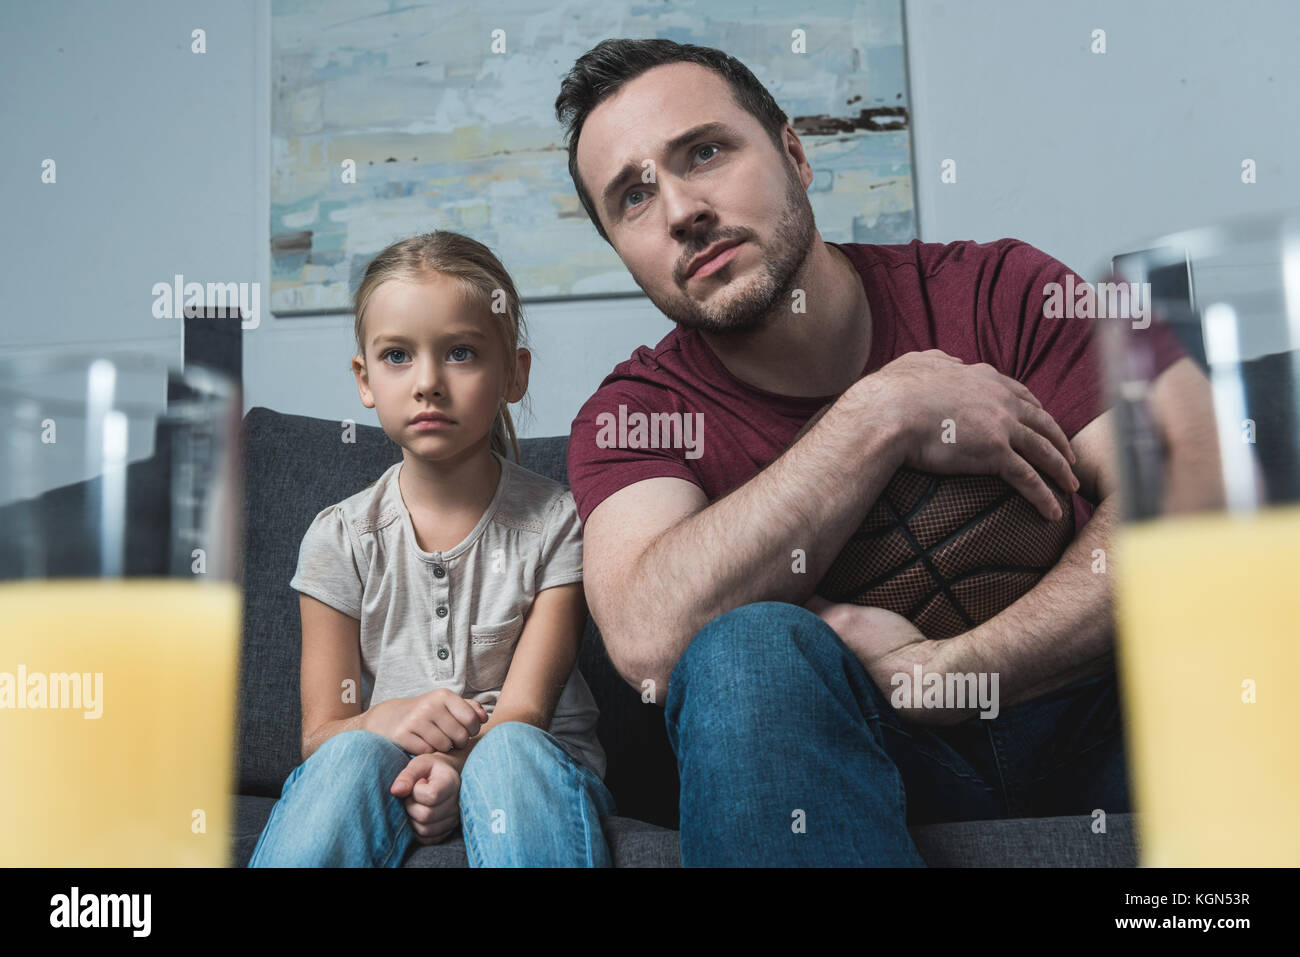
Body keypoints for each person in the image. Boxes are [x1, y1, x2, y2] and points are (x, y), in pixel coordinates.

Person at [554, 38, 1212, 865]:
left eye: (706, 152)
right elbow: (650, 638)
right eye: (634, 197)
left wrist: (949, 674)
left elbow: (1194, 490)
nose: (682, 208)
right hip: (866, 759)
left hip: (1103, 724)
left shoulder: (998, 288)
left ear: (794, 154)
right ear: (622, 248)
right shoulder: (635, 413)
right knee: (744, 651)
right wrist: (880, 410)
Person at [249, 231, 614, 867]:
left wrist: (456, 765)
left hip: (529, 768)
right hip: (391, 776)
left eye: (462, 353)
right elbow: (323, 732)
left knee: (508, 752)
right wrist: (388, 719)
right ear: (364, 379)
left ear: (514, 374)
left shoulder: (559, 522)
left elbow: (525, 710)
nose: (428, 383)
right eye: (396, 356)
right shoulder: (339, 537)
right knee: (353, 753)